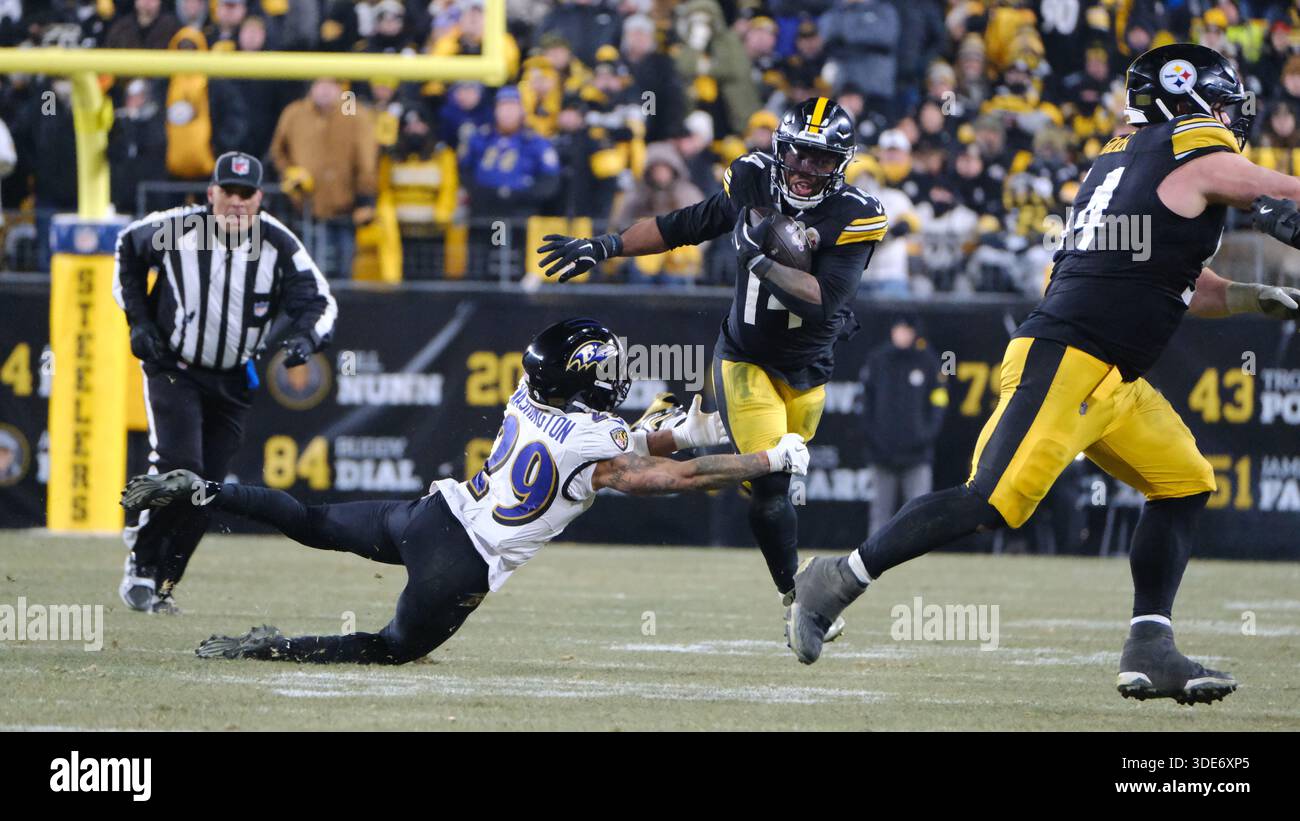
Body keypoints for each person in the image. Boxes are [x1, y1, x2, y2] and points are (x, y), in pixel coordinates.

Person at [787, 45, 1300, 707]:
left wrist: (1245, 296)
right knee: (990, 501)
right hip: (1069, 357)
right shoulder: (1187, 145)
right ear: (1187, 101)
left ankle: (1150, 642)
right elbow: (1279, 190)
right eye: (1222, 105)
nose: (1231, 119)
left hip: (1111, 375)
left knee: (1183, 483)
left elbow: (1174, 280)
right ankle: (836, 577)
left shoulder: (1123, 161)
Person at [119, 319, 810, 664]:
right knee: (390, 648)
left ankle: (206, 488)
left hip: (428, 515)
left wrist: (680, 433)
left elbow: (615, 448)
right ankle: (269, 648)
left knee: (310, 518)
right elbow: (658, 475)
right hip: (463, 564)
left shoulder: (528, 395)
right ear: (591, 382)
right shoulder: (596, 436)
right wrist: (762, 455)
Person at [537, 98, 889, 641]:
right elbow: (686, 224)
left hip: (811, 366)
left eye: (822, 161)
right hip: (746, 358)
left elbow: (822, 300)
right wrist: (603, 244)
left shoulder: (856, 213)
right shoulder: (752, 177)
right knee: (772, 480)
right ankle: (798, 601)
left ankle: (684, 427)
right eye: (798, 154)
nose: (805, 170)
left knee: (759, 462)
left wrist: (758, 258)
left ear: (841, 164)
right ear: (780, 149)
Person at [113, 151, 337, 614]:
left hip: (232, 378)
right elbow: (126, 250)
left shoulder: (276, 241)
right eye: (227, 192)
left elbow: (318, 302)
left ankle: (163, 583)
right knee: (182, 464)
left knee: (206, 489)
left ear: (259, 198)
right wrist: (139, 322)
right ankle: (140, 560)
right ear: (211, 192)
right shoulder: (177, 228)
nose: (236, 202)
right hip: (176, 366)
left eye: (246, 193)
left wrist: (304, 341)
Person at [860, 314, 947, 538]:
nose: (901, 334)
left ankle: (917, 559)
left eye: (906, 330)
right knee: (880, 514)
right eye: (897, 330)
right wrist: (874, 437)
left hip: (917, 455)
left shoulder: (927, 361)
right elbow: (865, 403)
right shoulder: (878, 360)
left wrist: (925, 435)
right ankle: (871, 559)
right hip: (882, 453)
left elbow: (939, 402)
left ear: (913, 333)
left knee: (918, 513)